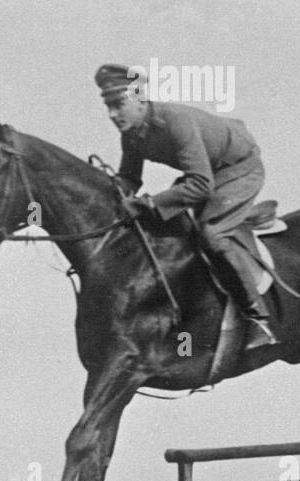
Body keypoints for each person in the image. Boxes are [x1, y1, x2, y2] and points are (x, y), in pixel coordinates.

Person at [94, 62, 277, 349]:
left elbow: (201, 185)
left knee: (211, 233)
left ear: (140, 99)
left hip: (239, 170)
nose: (112, 115)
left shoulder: (175, 121)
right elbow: (130, 178)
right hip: (209, 173)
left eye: (118, 104)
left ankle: (257, 319)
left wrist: (147, 205)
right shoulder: (131, 134)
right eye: (108, 107)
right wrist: (109, 193)